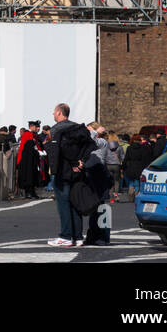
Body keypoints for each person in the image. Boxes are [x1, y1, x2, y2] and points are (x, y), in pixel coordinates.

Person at [46, 103, 94, 248]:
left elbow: (59, 151)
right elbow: (91, 146)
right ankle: (78, 237)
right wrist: (81, 162)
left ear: (60, 113)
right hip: (78, 172)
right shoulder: (78, 128)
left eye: (54, 112)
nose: (53, 115)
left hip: (64, 171)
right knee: (75, 204)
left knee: (63, 204)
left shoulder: (56, 130)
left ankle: (66, 236)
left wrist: (70, 163)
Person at [16, 121, 41, 198]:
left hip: (31, 159)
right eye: (36, 127)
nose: (38, 128)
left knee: (31, 175)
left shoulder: (33, 135)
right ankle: (29, 192)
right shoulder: (28, 135)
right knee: (28, 175)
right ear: (31, 127)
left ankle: (31, 192)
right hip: (27, 160)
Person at [122, 133, 152, 199]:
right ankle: (136, 195)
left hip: (131, 167)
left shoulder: (129, 148)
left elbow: (126, 158)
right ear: (139, 140)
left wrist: (123, 167)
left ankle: (130, 195)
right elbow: (145, 159)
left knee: (131, 182)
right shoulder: (143, 148)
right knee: (137, 182)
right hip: (140, 167)